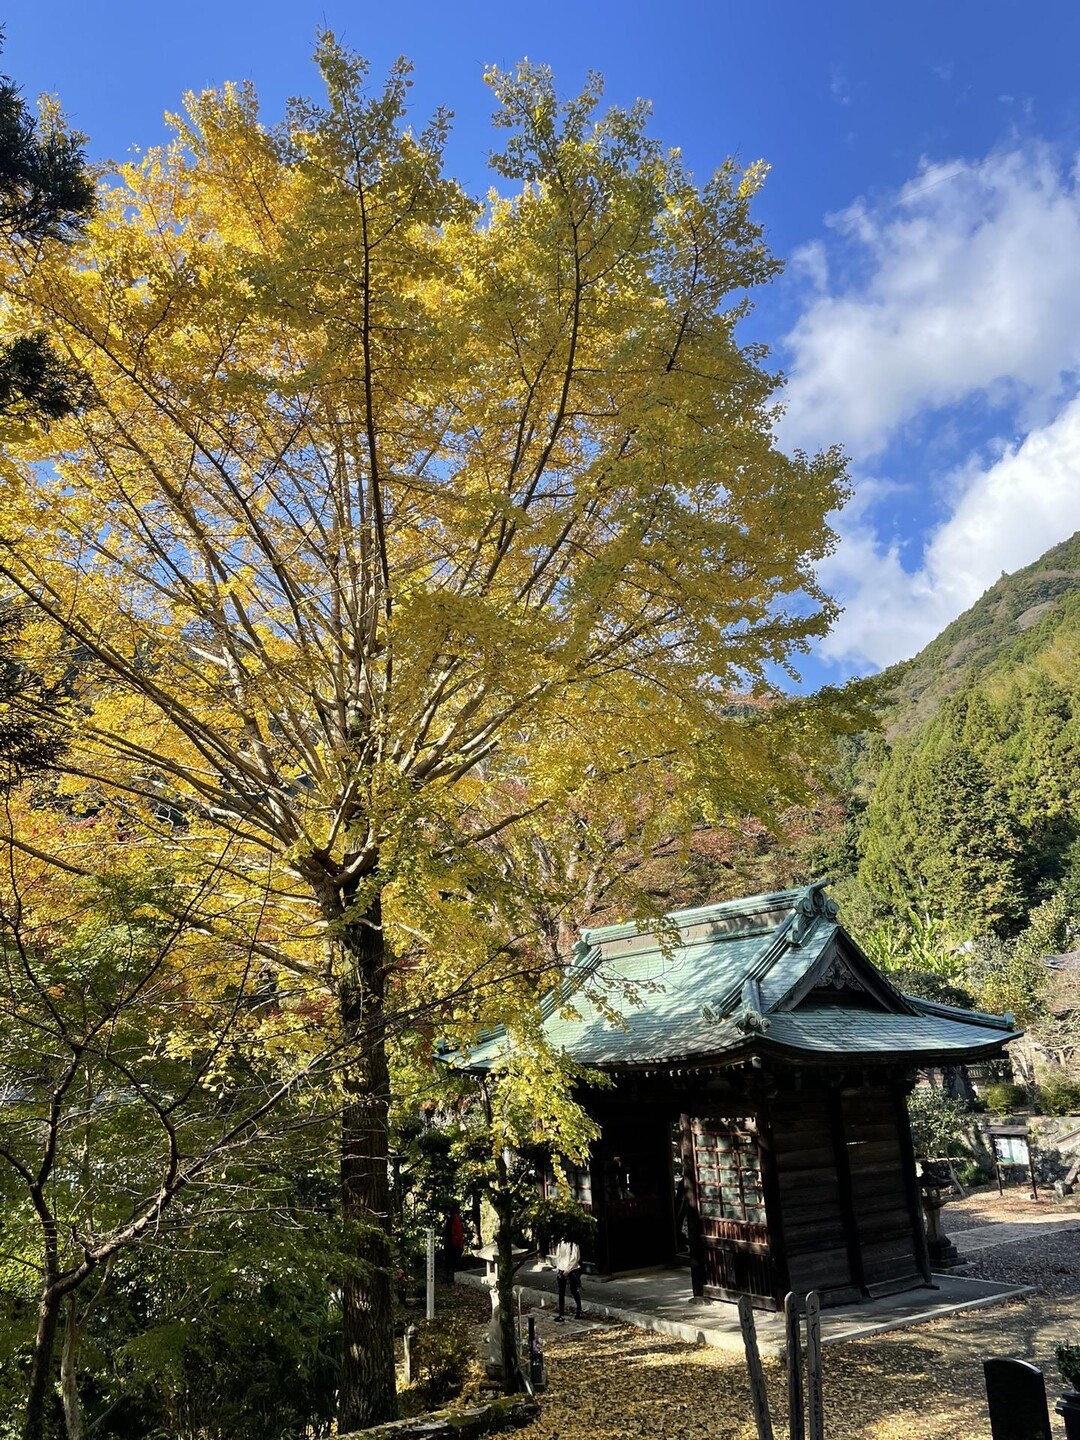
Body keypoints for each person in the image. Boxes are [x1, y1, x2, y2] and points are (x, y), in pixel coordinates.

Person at [552, 1235, 582, 1321]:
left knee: (574, 1291)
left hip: (572, 1270)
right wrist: (558, 1268)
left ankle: (579, 1311)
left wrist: (568, 1270)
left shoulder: (573, 1243)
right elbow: (558, 1256)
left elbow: (575, 1258)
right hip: (561, 1270)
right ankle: (561, 1314)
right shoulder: (560, 1242)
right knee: (561, 1293)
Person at [442, 1205, 465, 1282]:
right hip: (449, 1242)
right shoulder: (449, 1219)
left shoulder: (455, 1218)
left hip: (454, 1243)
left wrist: (460, 1244)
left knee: (454, 1260)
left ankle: (453, 1277)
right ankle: (448, 1276)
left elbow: (458, 1232)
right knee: (449, 1260)